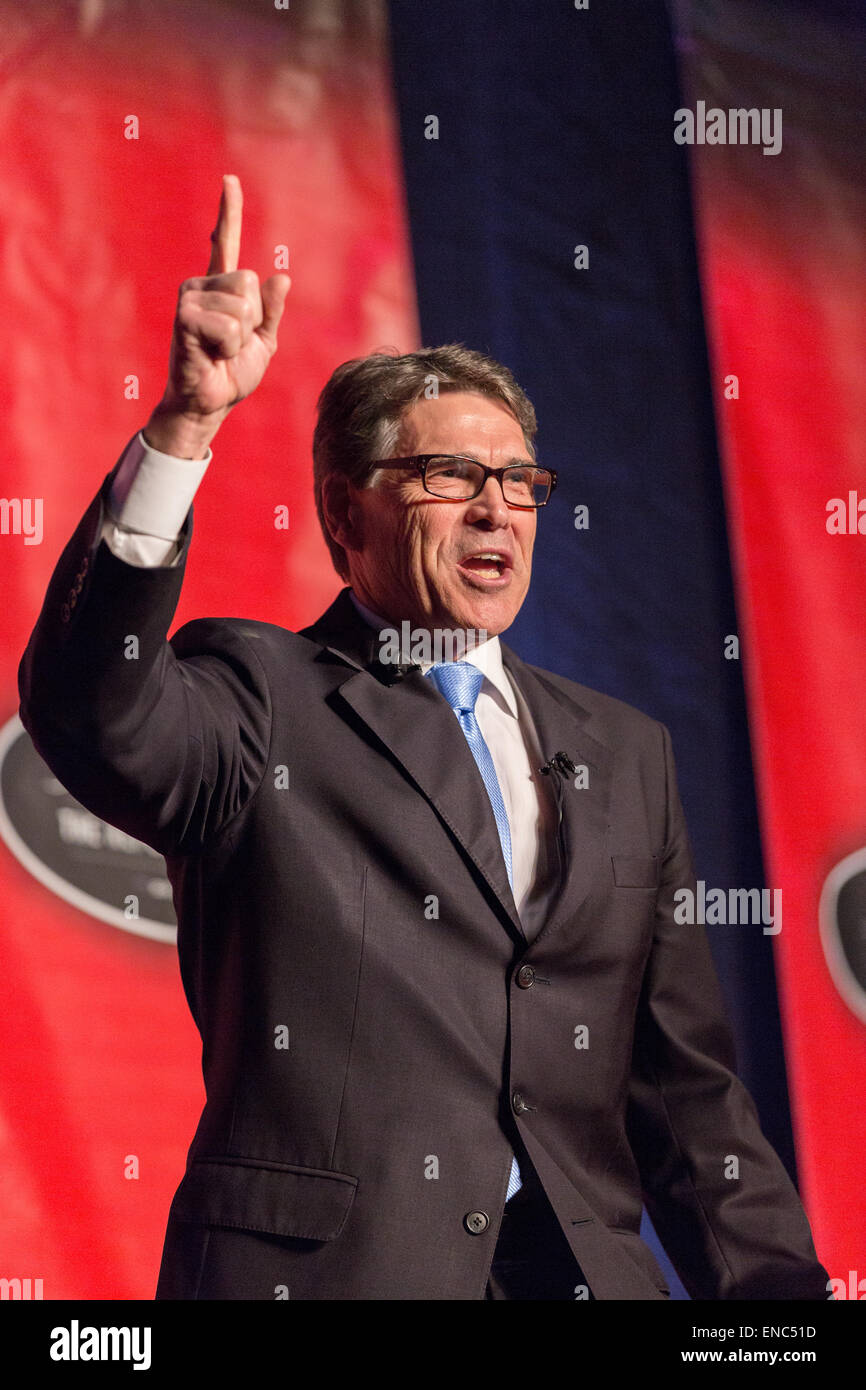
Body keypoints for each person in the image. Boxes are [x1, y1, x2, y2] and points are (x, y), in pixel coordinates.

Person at [19, 176, 830, 1300]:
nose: (496, 507)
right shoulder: (261, 694)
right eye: (450, 475)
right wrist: (184, 426)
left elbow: (684, 1088)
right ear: (344, 513)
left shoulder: (623, 752)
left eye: (519, 482)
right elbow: (89, 711)